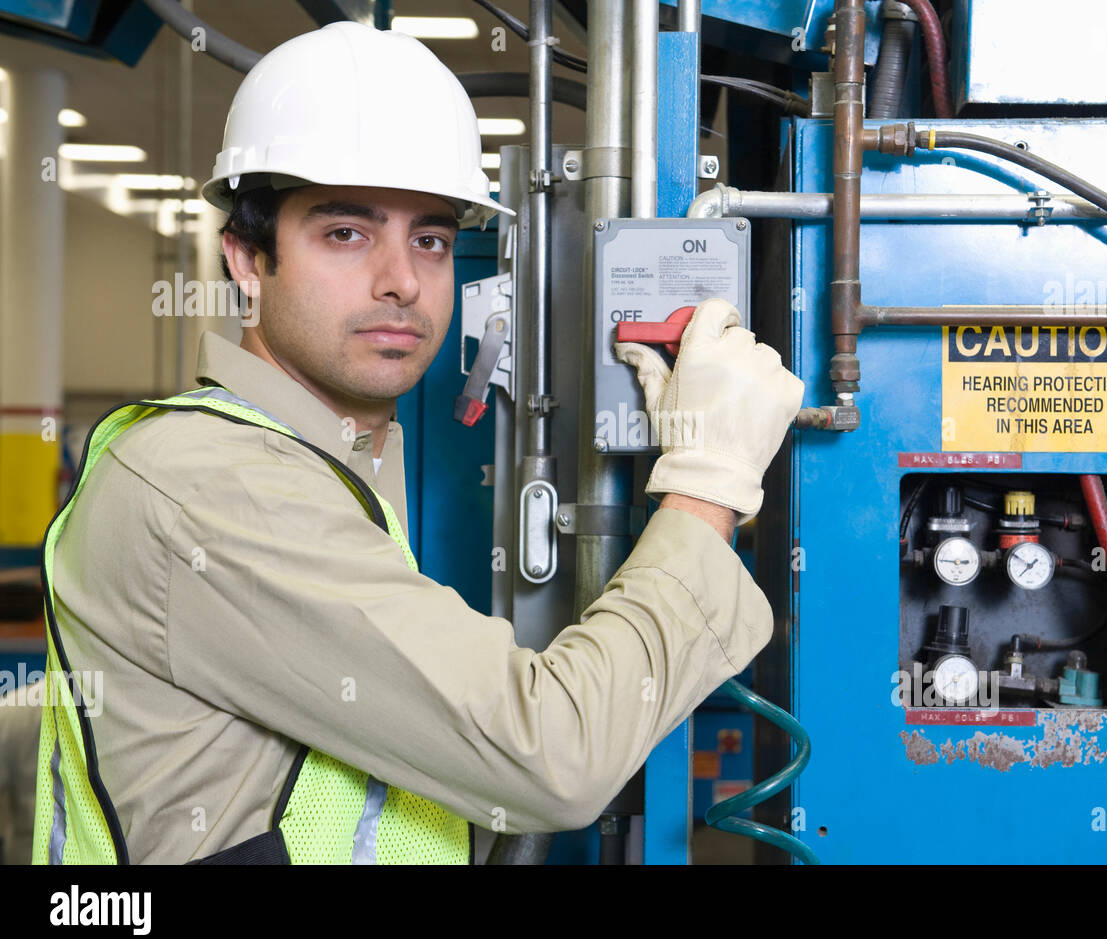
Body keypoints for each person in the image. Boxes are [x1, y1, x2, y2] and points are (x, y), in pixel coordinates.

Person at [33, 21, 803, 864]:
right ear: (247, 259)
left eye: (430, 239)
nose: (402, 279)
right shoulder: (207, 483)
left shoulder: (323, 466)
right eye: (347, 233)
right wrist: (708, 480)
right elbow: (553, 752)